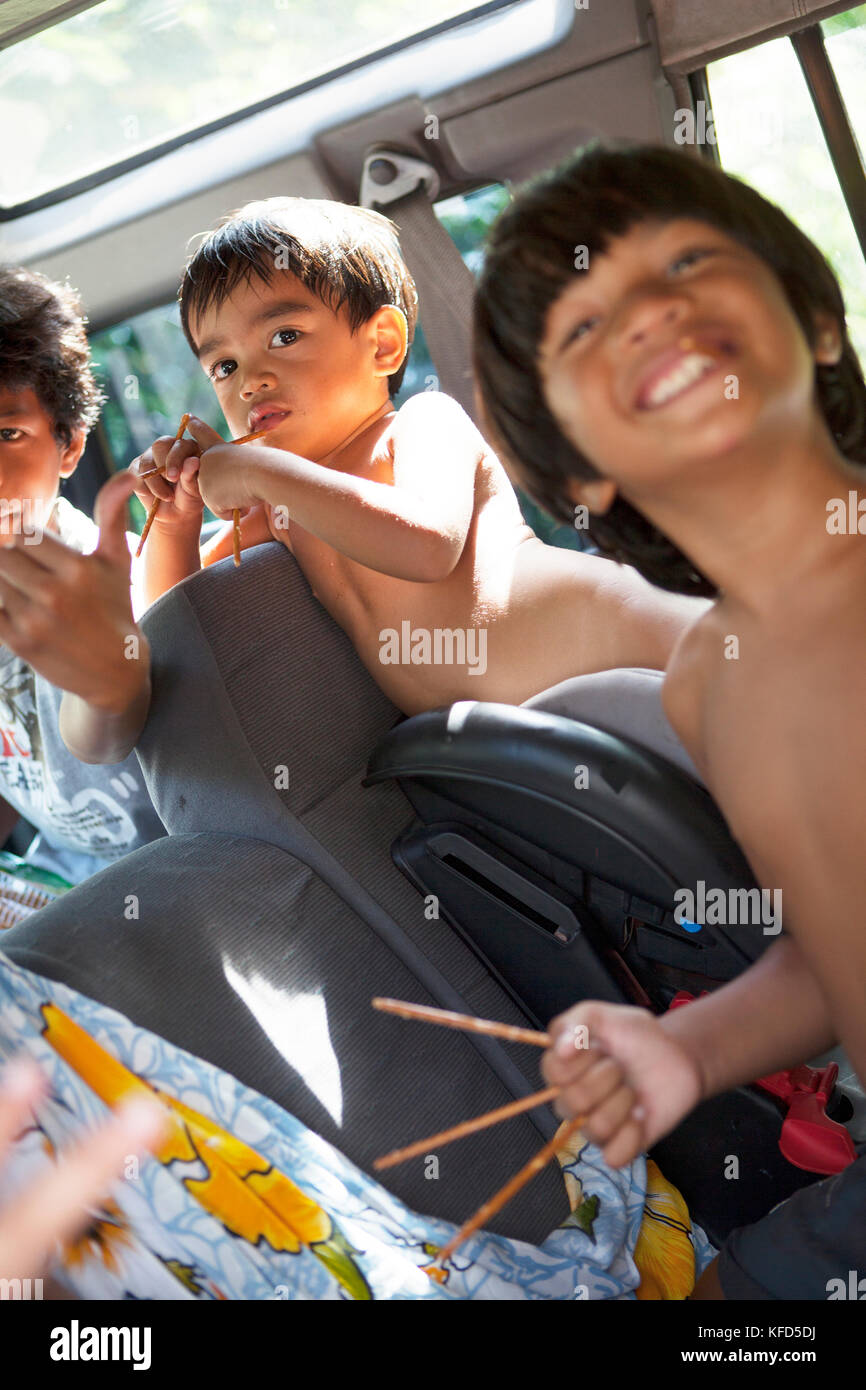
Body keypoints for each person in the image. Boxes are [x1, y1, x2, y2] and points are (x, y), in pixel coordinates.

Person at [473, 140, 866, 1300]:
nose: (646, 309)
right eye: (582, 328)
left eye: (686, 260)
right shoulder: (710, 683)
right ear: (576, 472)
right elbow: (836, 951)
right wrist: (687, 1048)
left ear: (812, 317)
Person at [128, 196, 703, 724]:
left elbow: (426, 546)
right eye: (224, 367)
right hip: (564, 732)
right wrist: (175, 521)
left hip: (650, 644)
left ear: (381, 345)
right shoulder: (282, 512)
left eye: (283, 336)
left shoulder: (424, 425)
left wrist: (255, 471)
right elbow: (177, 623)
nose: (251, 381)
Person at [0, 268, 164, 883]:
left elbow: (99, 735)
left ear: (69, 447)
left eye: (7, 433)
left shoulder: (113, 579)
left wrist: (110, 686)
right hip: (58, 878)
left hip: (170, 881)